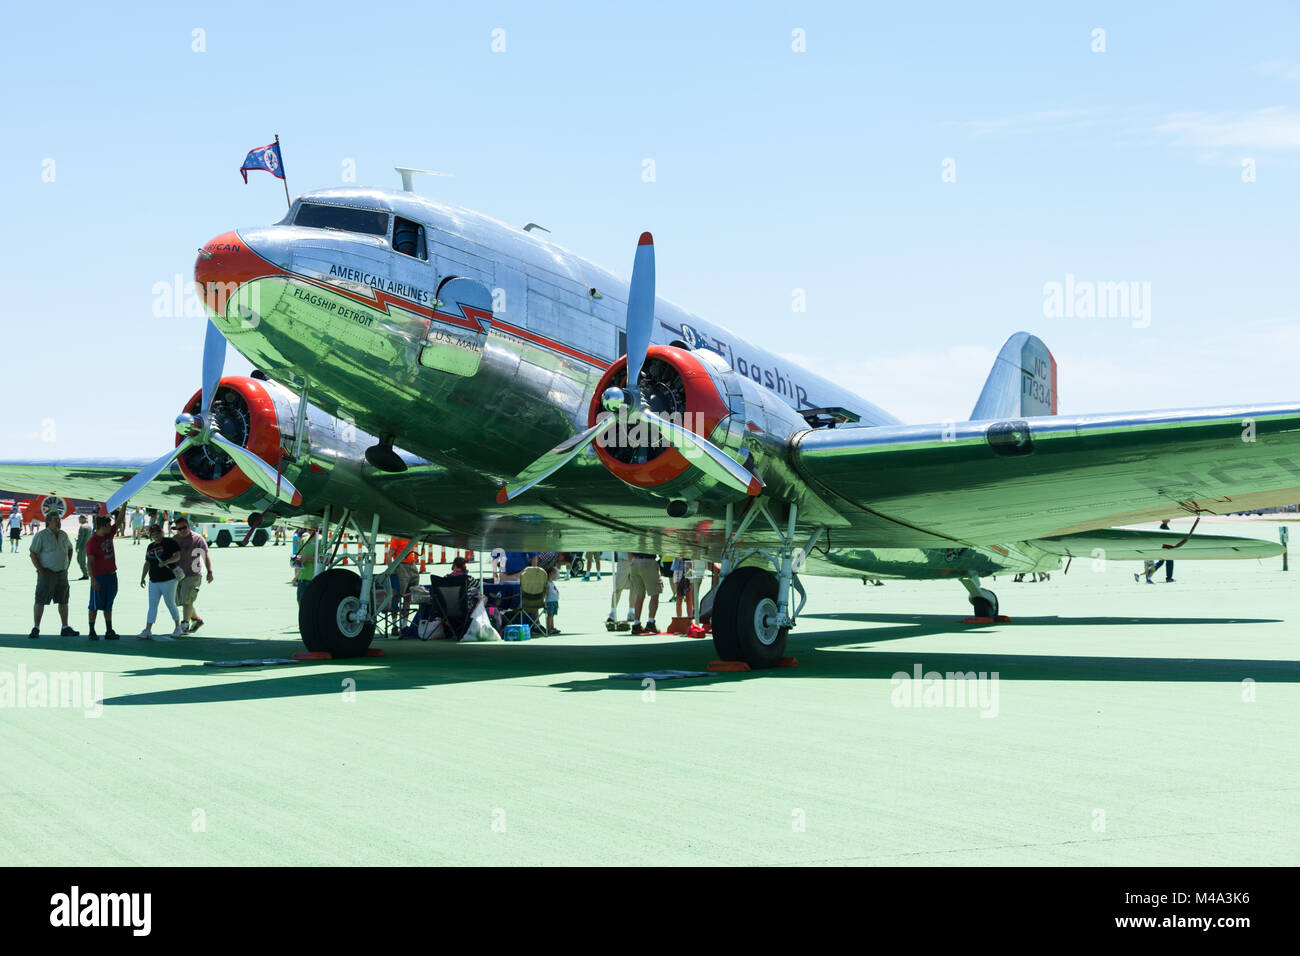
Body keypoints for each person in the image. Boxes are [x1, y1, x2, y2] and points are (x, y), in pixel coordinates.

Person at [29, 510, 79, 638]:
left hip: (62, 573)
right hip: (47, 573)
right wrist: (40, 570)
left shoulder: (63, 535)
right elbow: (33, 553)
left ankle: (65, 627)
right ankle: (36, 628)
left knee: (63, 600)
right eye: (56, 519)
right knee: (40, 600)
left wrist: (67, 566)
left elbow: (70, 548)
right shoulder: (41, 535)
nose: (59, 521)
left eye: (59, 519)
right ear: (48, 522)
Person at [86, 505, 127, 640]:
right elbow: (90, 563)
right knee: (94, 605)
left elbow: (119, 521)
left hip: (111, 576)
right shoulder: (92, 542)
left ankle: (109, 630)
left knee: (108, 604)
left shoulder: (108, 534)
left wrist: (124, 505)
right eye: (108, 524)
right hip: (99, 577)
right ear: (102, 526)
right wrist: (93, 579)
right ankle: (92, 631)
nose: (111, 526)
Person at [139, 523, 183, 640]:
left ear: (162, 532)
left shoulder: (170, 542)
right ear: (151, 535)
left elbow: (177, 556)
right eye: (153, 533)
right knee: (152, 606)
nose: (156, 535)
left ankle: (178, 627)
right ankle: (148, 630)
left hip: (169, 580)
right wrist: (143, 577)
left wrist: (167, 561)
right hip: (153, 581)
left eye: (158, 532)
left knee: (170, 604)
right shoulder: (150, 547)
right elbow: (147, 563)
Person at [172, 515, 213, 632]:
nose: (182, 530)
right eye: (179, 529)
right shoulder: (175, 539)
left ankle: (184, 624)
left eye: (184, 528)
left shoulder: (198, 539)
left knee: (187, 600)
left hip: (193, 575)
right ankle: (197, 619)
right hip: (179, 575)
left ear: (188, 526)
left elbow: (205, 556)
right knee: (183, 600)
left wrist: (210, 572)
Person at [627, 552, 662, 635]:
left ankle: (636, 624)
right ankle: (650, 622)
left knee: (639, 595)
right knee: (655, 593)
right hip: (648, 561)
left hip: (635, 562)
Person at [604, 552, 635, 631]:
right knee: (618, 588)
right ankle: (612, 613)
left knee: (634, 587)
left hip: (636, 560)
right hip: (623, 560)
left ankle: (631, 612)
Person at [294, 530, 318, 603]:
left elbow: (325, 560)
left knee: (311, 603)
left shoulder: (320, 540)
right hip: (302, 578)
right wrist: (295, 559)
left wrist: (307, 558)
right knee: (300, 601)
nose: (309, 529)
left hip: (313, 578)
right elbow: (299, 555)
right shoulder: (304, 539)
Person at [74, 515, 92, 579]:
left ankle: (86, 574)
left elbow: (80, 538)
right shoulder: (89, 526)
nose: (79, 520)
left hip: (82, 546)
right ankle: (87, 573)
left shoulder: (82, 527)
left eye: (79, 519)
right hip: (88, 545)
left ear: (82, 519)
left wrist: (77, 547)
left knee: (80, 560)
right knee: (83, 560)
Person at [544, 565, 560, 634]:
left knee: (552, 615)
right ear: (551, 574)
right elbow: (545, 594)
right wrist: (544, 602)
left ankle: (552, 627)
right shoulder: (547, 584)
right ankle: (549, 628)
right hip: (549, 602)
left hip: (554, 601)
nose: (557, 575)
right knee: (549, 615)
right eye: (556, 574)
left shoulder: (552, 583)